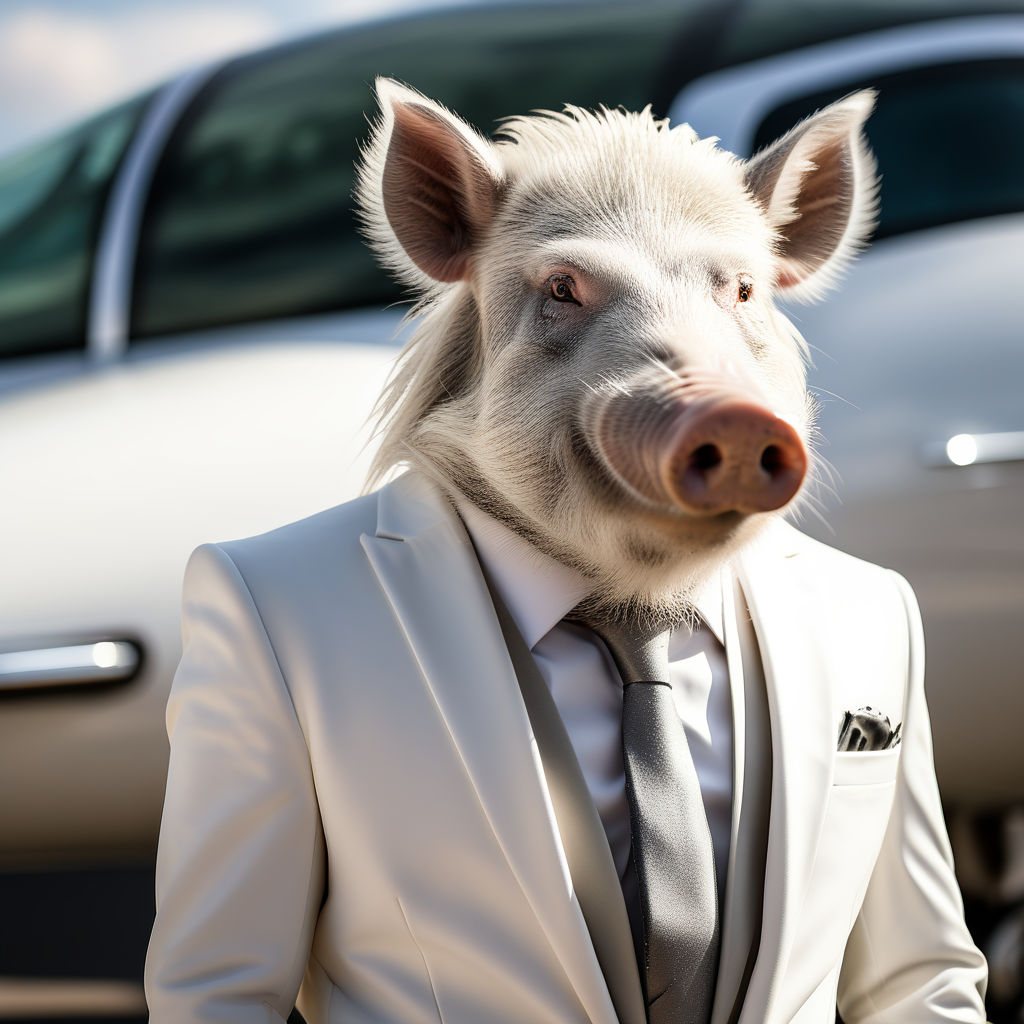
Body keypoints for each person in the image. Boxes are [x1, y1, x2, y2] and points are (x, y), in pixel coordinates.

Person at [145, 80, 988, 1023]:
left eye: (736, 290)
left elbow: (920, 985)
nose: (693, 365)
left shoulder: (866, 616)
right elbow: (216, 997)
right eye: (564, 293)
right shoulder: (283, 611)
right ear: (445, 230)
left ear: (793, 256)